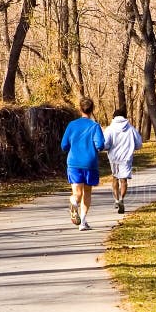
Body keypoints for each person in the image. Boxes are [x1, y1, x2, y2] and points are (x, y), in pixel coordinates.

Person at [61, 97, 105, 231]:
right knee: (87, 192)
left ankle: (74, 201)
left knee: (77, 192)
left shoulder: (72, 125)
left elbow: (64, 145)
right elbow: (100, 145)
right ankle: (83, 222)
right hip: (89, 163)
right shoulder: (95, 126)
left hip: (74, 162)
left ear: (80, 109)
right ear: (92, 110)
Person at [102, 108, 143, 214]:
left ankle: (116, 200)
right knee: (123, 180)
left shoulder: (110, 129)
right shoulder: (131, 128)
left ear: (114, 117)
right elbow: (139, 144)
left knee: (115, 177)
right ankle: (122, 199)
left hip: (114, 157)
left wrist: (106, 148)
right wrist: (132, 147)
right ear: (125, 117)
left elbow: (105, 144)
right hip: (126, 157)